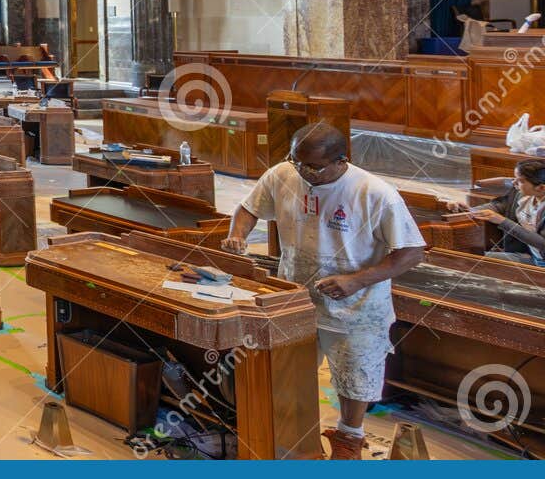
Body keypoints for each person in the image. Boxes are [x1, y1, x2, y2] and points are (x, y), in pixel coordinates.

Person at [221, 122, 424, 459]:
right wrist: (238, 234)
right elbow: (248, 207)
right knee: (287, 373)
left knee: (354, 375)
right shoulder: (283, 175)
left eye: (313, 166)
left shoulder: (375, 194)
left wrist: (356, 280)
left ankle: (348, 441)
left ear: (341, 160)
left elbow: (412, 253)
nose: (303, 172)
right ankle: (290, 439)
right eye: (296, 161)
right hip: (295, 297)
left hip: (357, 305)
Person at [443, 158, 545, 265]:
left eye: (520, 181)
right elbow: (496, 206)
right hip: (527, 255)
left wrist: (503, 222)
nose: (513, 182)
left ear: (541, 188)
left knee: (471, 262)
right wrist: (467, 210)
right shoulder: (520, 194)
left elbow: (542, 244)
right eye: (515, 178)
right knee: (463, 257)